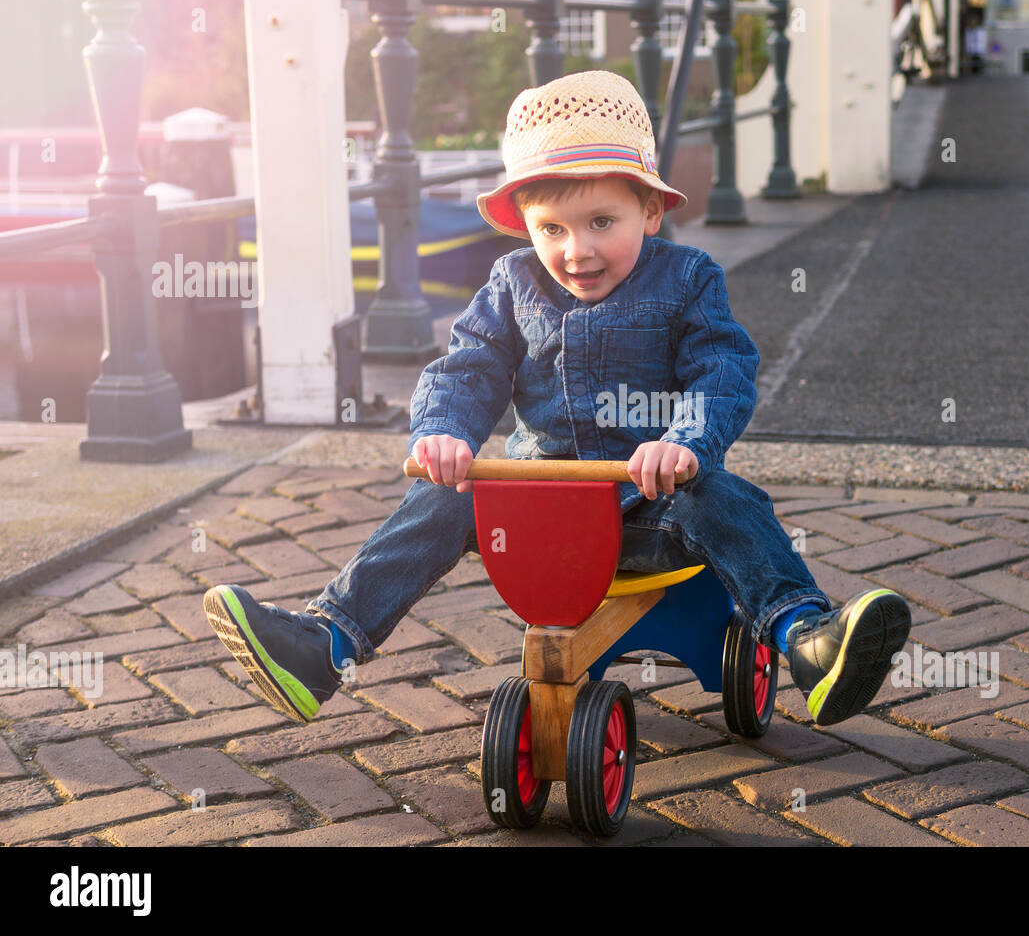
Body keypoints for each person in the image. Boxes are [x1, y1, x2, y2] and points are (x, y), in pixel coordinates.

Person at [203, 70, 911, 730]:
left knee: (726, 500)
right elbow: (468, 368)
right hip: (541, 519)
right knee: (442, 500)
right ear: (526, 227)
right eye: (553, 229)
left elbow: (722, 370)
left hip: (654, 511)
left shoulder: (688, 280)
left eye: (602, 222)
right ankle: (326, 643)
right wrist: (445, 430)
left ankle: (805, 638)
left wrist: (685, 442)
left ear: (652, 211)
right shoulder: (512, 286)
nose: (577, 250)